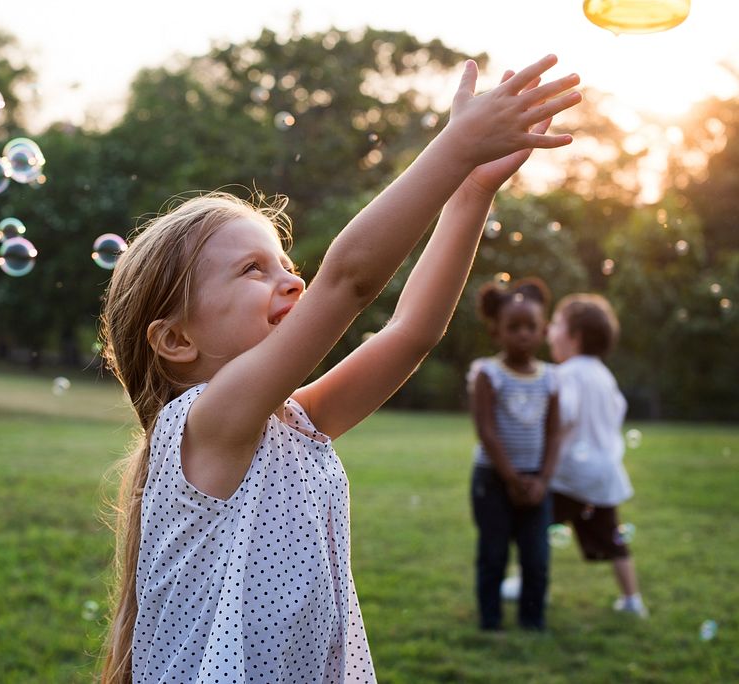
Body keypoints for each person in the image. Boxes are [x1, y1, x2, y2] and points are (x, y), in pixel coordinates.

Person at [97, 54, 580, 682]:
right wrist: (454, 147)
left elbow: (411, 334)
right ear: (177, 340)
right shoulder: (204, 424)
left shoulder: (296, 421)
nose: (292, 280)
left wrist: (470, 193)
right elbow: (348, 281)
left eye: (285, 263)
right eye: (253, 270)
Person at [468, 277, 560, 631]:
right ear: (496, 331)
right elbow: (486, 430)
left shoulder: (552, 378)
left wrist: (542, 481)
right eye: (514, 327)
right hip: (493, 479)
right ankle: (490, 621)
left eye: (531, 327)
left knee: (536, 556)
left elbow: (554, 432)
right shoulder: (488, 374)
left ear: (544, 330)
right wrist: (511, 478)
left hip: (537, 479)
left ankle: (532, 621)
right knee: (493, 553)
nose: (523, 334)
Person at [547, 293, 646, 617]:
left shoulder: (567, 374)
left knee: (534, 529)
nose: (549, 329)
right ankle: (632, 599)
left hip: (568, 473)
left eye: (556, 323)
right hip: (604, 473)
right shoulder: (605, 375)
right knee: (613, 537)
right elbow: (618, 411)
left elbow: (564, 415)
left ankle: (528, 584)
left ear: (574, 337)